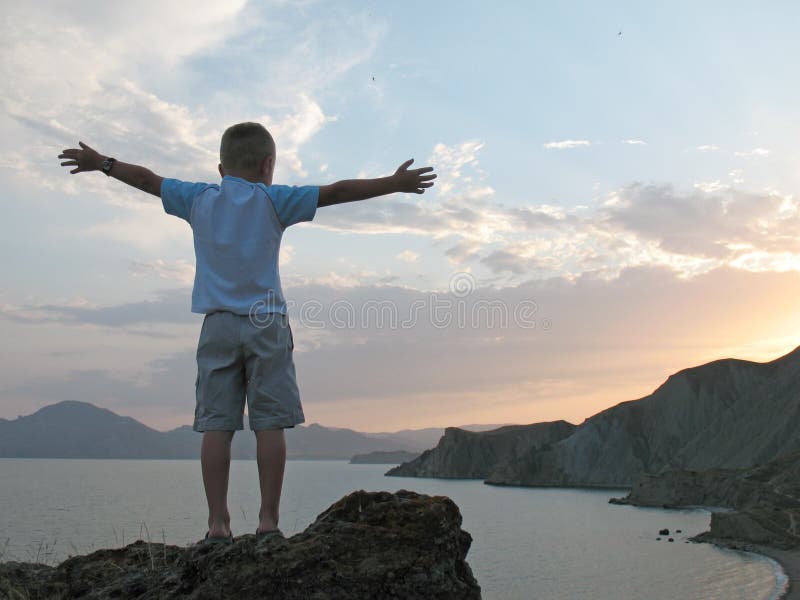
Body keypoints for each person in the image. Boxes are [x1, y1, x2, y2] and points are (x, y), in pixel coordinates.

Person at [58, 122, 436, 544]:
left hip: (217, 323)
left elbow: (146, 179)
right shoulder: (274, 200)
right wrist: (394, 183)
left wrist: (102, 163)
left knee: (216, 426)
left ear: (220, 168)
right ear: (268, 165)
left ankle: (217, 523)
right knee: (270, 424)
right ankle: (268, 520)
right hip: (265, 321)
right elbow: (336, 192)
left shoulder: (199, 198)